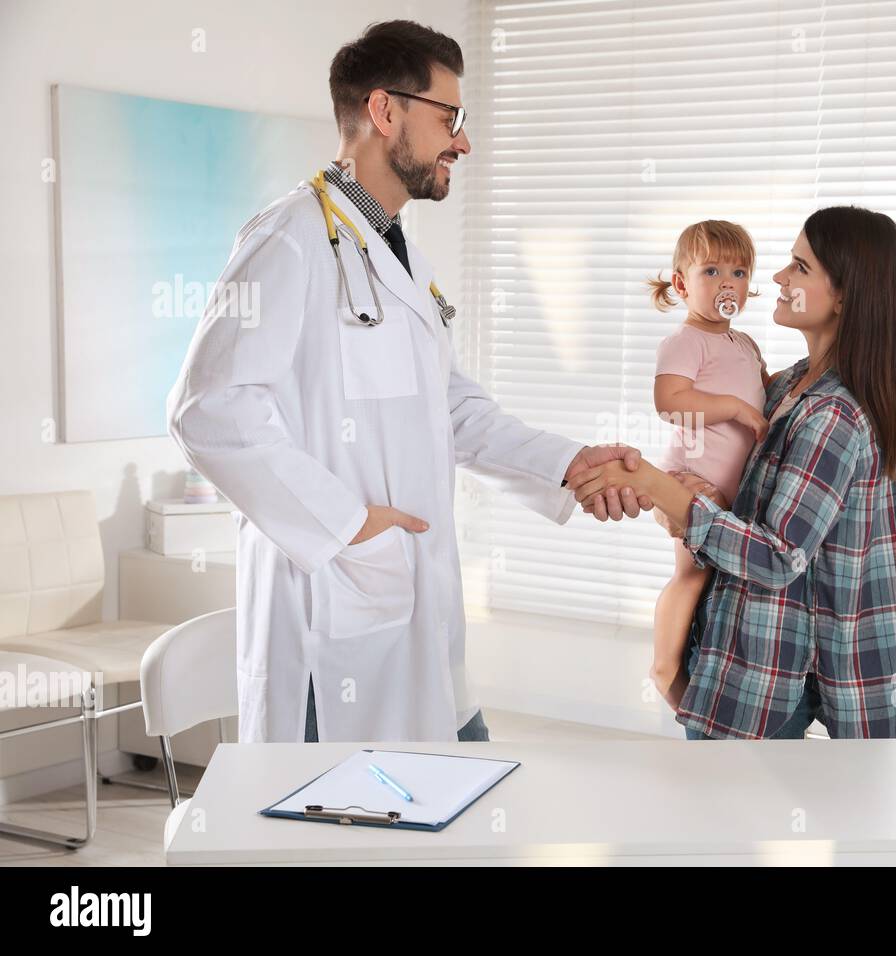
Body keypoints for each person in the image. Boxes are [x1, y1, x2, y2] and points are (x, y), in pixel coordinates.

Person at [166, 20, 650, 744]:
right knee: (336, 838)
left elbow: (448, 406)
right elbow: (209, 411)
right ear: (384, 111)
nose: (463, 141)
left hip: (412, 620)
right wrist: (345, 525)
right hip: (332, 628)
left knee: (452, 797)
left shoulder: (401, 255)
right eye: (449, 118)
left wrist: (563, 462)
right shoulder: (289, 239)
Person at [571, 206, 896, 740]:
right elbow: (739, 490)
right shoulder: (788, 385)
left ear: (845, 294)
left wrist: (658, 487)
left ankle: (664, 668)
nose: (776, 278)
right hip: (728, 657)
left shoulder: (834, 415)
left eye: (799, 268)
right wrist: (696, 496)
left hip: (763, 682)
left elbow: (780, 556)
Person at [643, 220, 768, 708]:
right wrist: (735, 409)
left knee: (715, 584)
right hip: (689, 480)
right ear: (680, 284)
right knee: (690, 573)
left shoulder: (744, 344)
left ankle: (702, 674)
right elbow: (670, 401)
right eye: (711, 271)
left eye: (738, 272)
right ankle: (665, 669)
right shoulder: (685, 341)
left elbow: (759, 388)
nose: (726, 283)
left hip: (728, 493)